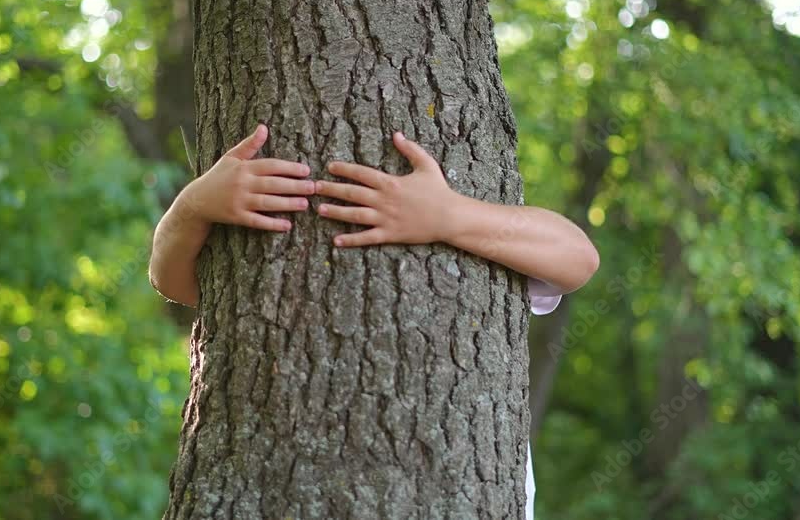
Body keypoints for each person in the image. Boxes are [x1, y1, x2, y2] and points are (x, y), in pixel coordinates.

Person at [149, 124, 600, 519]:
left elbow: (578, 257)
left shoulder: (486, 243)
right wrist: (192, 207)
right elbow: (174, 280)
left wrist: (447, 216)